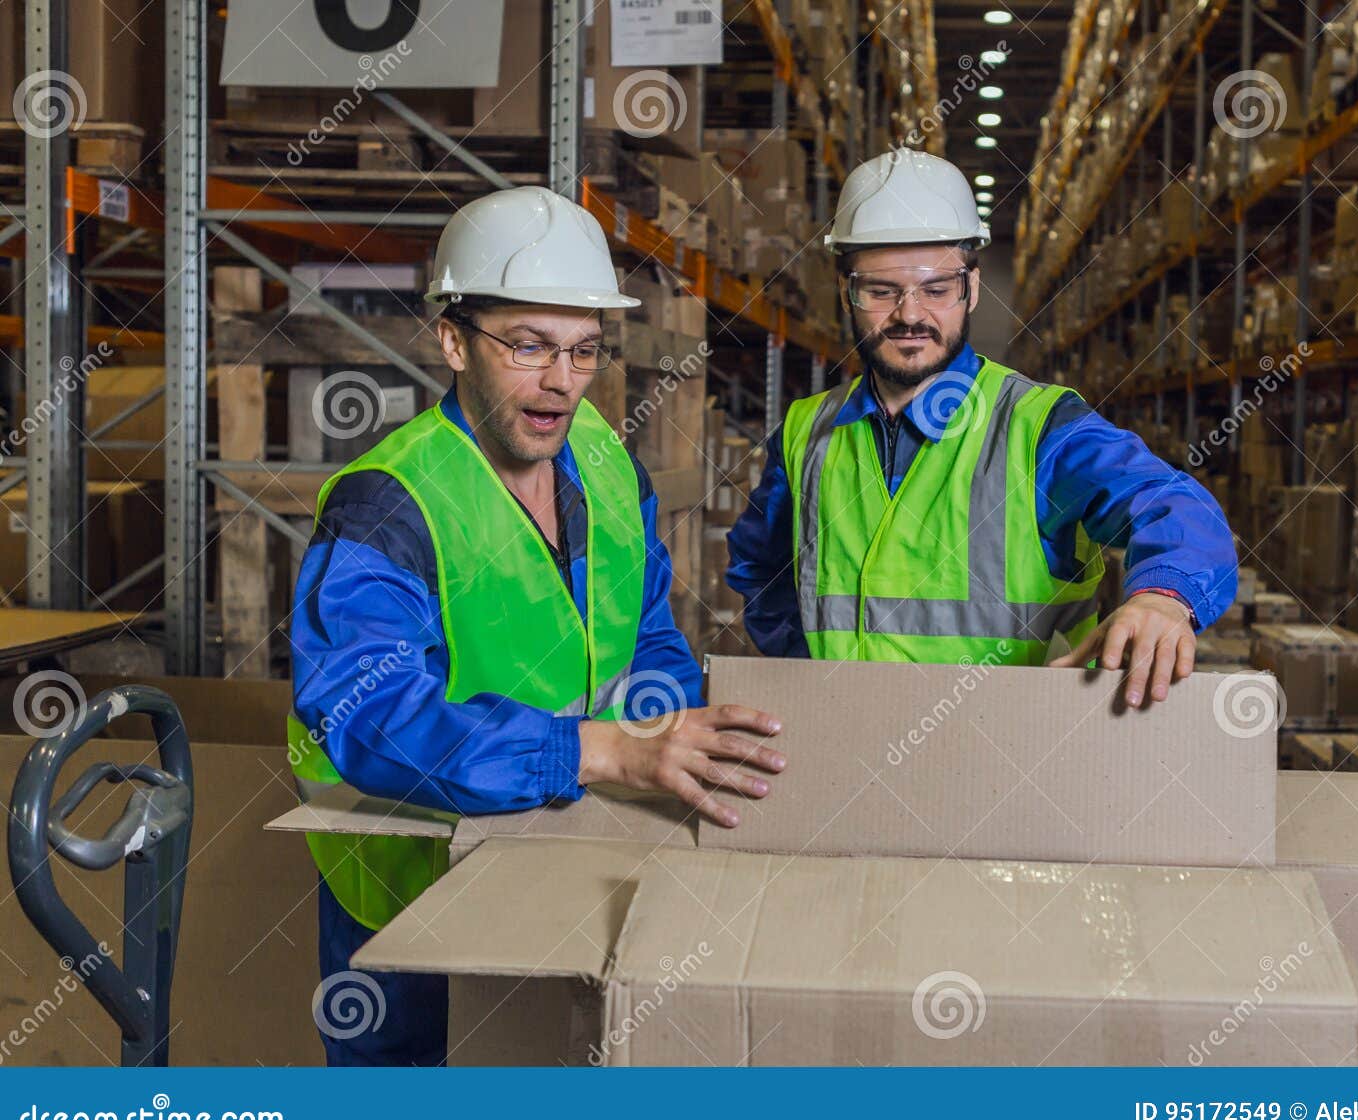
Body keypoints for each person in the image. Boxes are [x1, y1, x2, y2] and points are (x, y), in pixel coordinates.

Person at [288, 186, 784, 1066]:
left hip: (559, 837)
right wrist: (598, 751)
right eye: (528, 346)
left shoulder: (600, 457)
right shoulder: (387, 503)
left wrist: (672, 723)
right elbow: (369, 717)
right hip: (408, 872)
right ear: (452, 339)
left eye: (584, 350)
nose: (561, 381)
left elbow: (642, 631)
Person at [727, 148, 1237, 704]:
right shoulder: (806, 432)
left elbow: (1169, 502)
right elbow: (763, 572)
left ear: (971, 287)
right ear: (845, 292)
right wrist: (802, 679)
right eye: (880, 291)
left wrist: (1163, 597)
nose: (910, 315)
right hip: (849, 748)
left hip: (1007, 755)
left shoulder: (1038, 427)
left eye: (936, 289)